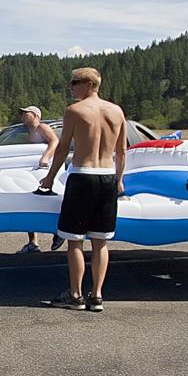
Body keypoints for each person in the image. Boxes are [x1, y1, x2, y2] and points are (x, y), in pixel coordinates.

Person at [38, 68, 127, 313]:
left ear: (88, 84)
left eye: (75, 83)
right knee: (100, 242)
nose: (71, 87)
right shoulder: (116, 111)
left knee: (74, 240)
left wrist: (49, 177)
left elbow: (63, 147)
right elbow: (121, 152)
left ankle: (76, 295)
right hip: (107, 177)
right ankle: (97, 296)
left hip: (83, 177)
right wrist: (119, 180)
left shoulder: (74, 111)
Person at [16, 105, 62, 254]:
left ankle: (59, 231)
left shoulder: (42, 127)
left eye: (26, 113)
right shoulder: (29, 132)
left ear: (35, 115)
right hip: (33, 172)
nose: (22, 115)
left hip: (45, 171)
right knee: (30, 203)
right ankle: (32, 242)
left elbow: (55, 141)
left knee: (50, 200)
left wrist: (46, 157)